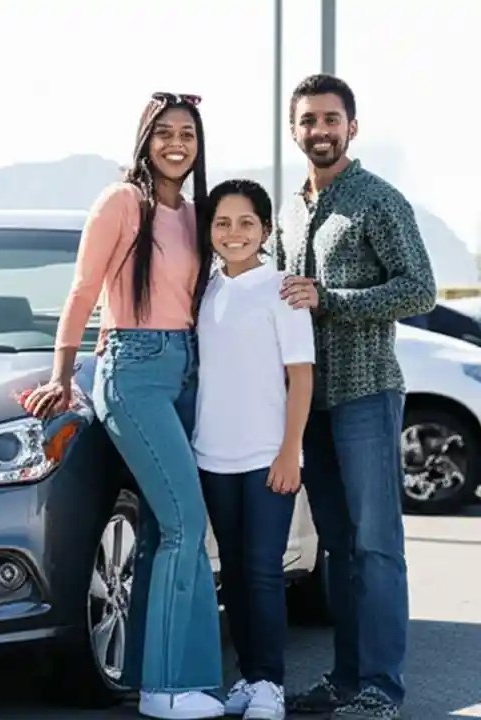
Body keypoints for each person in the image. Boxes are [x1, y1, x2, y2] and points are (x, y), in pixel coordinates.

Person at [23, 92, 224, 720]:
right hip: (132, 371)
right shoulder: (120, 203)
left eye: (187, 133)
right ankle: (168, 690)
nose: (176, 143)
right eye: (164, 132)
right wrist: (61, 375)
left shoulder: (197, 215)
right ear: (144, 139)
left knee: (171, 527)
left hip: (186, 369)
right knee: (187, 523)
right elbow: (83, 292)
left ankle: (163, 676)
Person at [276, 74, 435, 720]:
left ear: (352, 126)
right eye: (309, 120)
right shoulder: (289, 209)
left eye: (331, 119)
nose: (320, 130)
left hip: (368, 395)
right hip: (310, 404)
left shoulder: (378, 201)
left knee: (376, 545)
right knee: (337, 549)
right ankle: (345, 680)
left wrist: (333, 301)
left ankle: (382, 689)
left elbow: (420, 289)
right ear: (295, 130)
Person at [192, 179, 314, 720]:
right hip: (212, 454)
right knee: (234, 573)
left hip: (268, 455)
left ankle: (270, 684)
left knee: (264, 569)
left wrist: (291, 451)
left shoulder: (282, 290)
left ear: (266, 229)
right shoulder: (208, 288)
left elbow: (301, 377)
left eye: (246, 222)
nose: (234, 232)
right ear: (210, 230)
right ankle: (247, 676)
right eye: (223, 222)